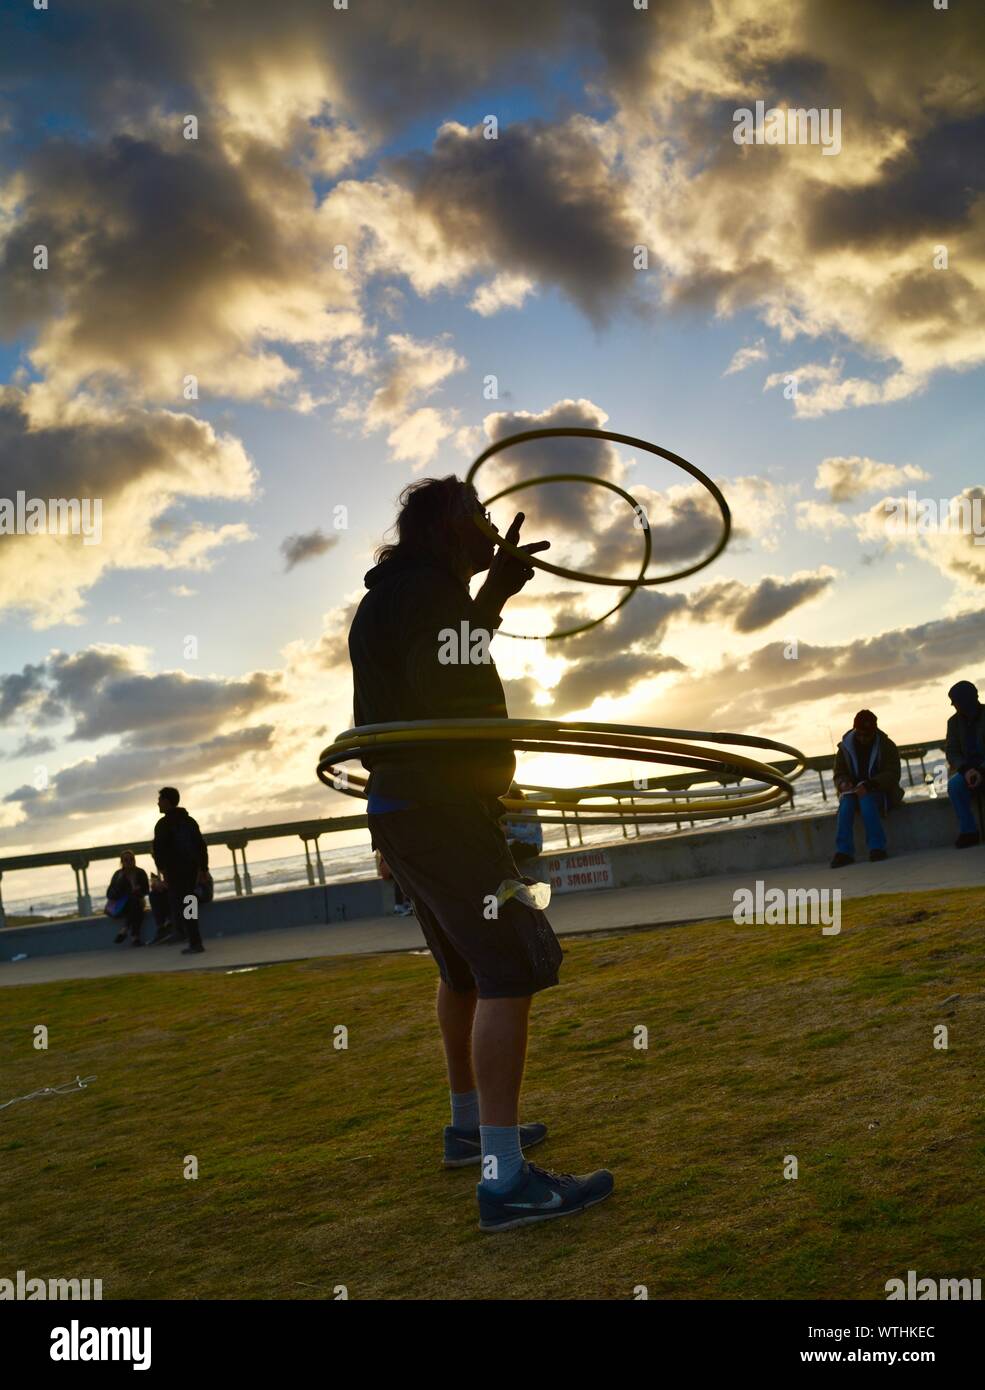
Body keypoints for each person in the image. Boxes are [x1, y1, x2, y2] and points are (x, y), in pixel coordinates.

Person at [348, 476, 613, 1232]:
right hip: (438, 805)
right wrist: (487, 595)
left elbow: (433, 673)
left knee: (462, 969)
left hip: (408, 807)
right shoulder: (428, 594)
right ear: (444, 529)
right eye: (479, 519)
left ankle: (470, 1128)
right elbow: (447, 693)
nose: (491, 529)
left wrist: (488, 596)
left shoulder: (395, 595)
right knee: (506, 965)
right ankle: (504, 1182)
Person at [830, 710, 904, 868]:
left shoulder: (887, 745)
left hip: (880, 791)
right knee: (846, 804)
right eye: (860, 734)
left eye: (867, 735)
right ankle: (844, 852)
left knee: (867, 800)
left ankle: (877, 847)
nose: (863, 738)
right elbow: (839, 773)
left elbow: (893, 773)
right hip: (853, 792)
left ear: (875, 731)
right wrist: (843, 783)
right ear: (855, 730)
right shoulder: (844, 748)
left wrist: (869, 785)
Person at [152, 787, 210, 954]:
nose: (158, 803)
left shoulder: (163, 825)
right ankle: (193, 939)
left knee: (180, 904)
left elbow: (159, 850)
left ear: (167, 802)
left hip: (175, 872)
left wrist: (162, 869)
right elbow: (200, 846)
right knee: (188, 904)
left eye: (160, 800)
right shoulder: (189, 821)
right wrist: (203, 868)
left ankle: (191, 940)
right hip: (191, 870)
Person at [945, 679, 985, 848]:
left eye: (957, 703)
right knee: (954, 785)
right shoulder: (953, 722)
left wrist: (981, 770)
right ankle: (969, 831)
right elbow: (952, 751)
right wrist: (966, 770)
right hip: (968, 770)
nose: (955, 706)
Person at [105, 851, 150, 945]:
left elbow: (146, 890)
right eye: (126, 860)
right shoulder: (118, 875)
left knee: (135, 903)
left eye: (131, 859)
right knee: (135, 904)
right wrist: (122, 886)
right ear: (122, 862)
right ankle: (134, 936)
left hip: (136, 902)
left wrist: (138, 889)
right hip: (121, 905)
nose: (129, 861)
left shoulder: (140, 872)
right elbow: (110, 894)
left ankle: (126, 929)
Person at [503, 781, 544, 866]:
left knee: (510, 852)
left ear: (516, 797)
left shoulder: (529, 808)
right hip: (516, 844)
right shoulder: (508, 810)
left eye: (510, 798)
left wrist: (508, 829)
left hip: (532, 846)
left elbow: (529, 831)